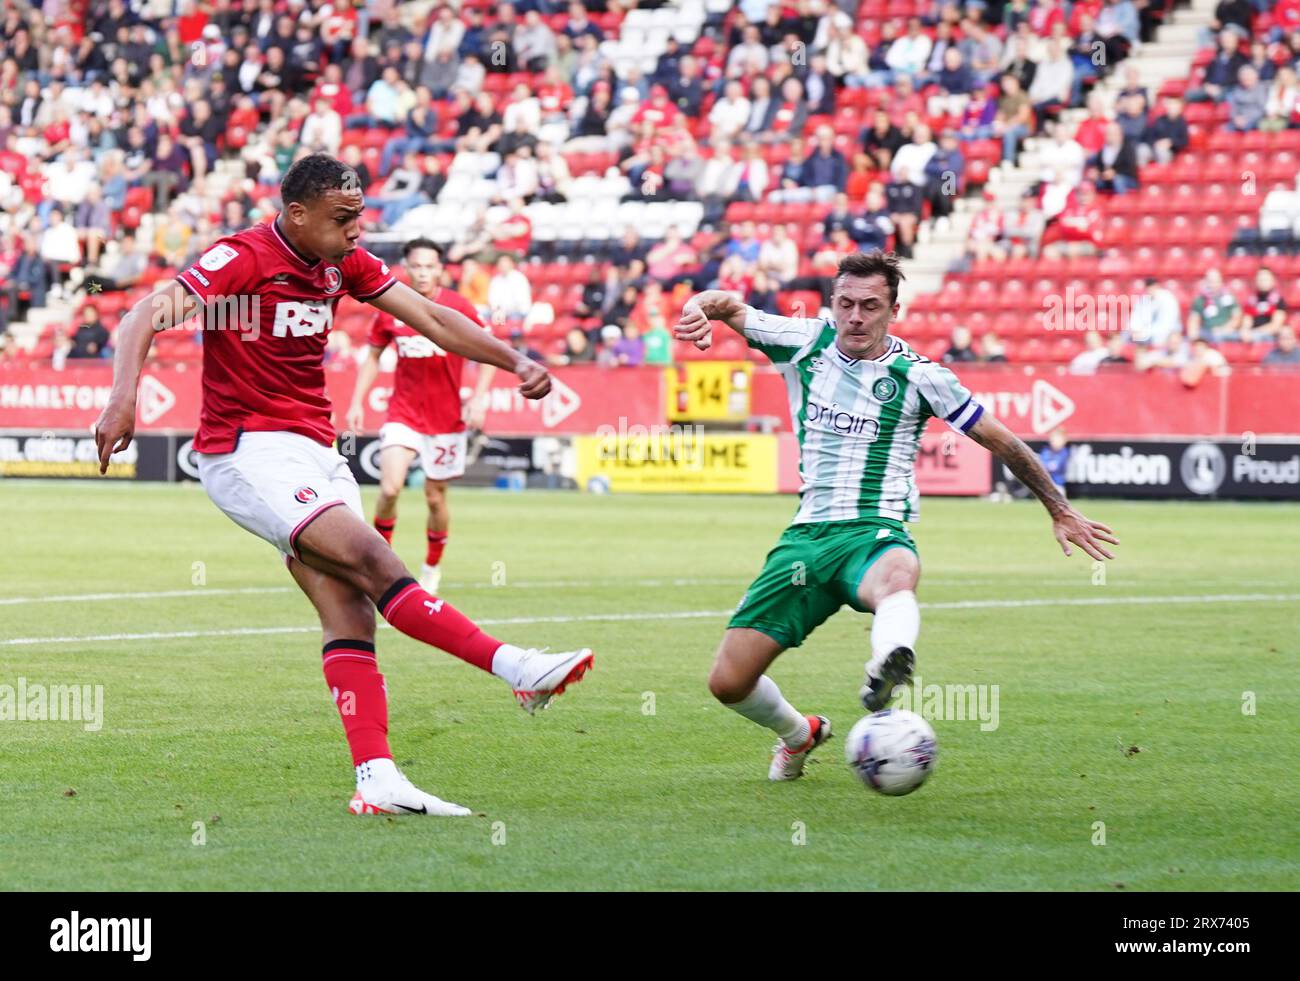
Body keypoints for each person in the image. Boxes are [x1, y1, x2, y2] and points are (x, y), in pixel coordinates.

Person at [92, 154, 593, 817]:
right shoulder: (241, 258)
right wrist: (123, 398)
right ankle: (517, 669)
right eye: (344, 217)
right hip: (246, 451)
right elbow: (141, 317)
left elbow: (433, 318)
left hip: (317, 452)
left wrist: (516, 359)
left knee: (353, 609)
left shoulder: (342, 263)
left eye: (361, 214)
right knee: (375, 560)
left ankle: (377, 778)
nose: (358, 228)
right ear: (298, 215)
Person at [672, 250, 1117, 780]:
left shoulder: (921, 376)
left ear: (893, 310)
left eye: (870, 305)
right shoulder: (802, 342)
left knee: (898, 575)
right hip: (807, 539)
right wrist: (699, 306)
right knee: (727, 683)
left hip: (874, 529)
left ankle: (889, 659)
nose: (856, 317)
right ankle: (799, 734)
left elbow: (1002, 440)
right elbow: (726, 304)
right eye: (846, 304)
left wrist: (1058, 508)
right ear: (832, 304)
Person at [345, 239, 496, 596]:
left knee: (434, 497)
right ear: (407, 268)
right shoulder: (390, 308)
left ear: (441, 269)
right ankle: (381, 564)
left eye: (430, 266)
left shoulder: (459, 307)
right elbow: (372, 357)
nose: (423, 272)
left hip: (446, 421)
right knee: (390, 487)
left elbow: (489, 351)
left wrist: (479, 398)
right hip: (403, 413)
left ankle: (432, 567)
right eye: (417, 266)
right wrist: (356, 401)